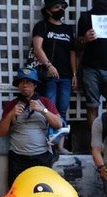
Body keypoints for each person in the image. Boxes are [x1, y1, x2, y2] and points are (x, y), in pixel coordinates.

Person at [0, 66, 62, 187]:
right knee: (17, 191)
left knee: (42, 191)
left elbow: (59, 124)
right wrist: (11, 114)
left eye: (28, 82)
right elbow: (1, 133)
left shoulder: (45, 102)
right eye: (22, 82)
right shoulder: (12, 105)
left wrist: (42, 110)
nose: (24, 86)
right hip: (18, 159)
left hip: (41, 157)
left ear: (35, 85)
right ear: (18, 85)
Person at [32, 0, 76, 141]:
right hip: (48, 75)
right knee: (49, 107)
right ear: (48, 10)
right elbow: (37, 48)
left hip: (66, 75)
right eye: (56, 7)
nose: (60, 9)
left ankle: (60, 144)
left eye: (62, 7)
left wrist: (74, 74)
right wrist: (49, 65)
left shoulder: (68, 29)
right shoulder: (42, 26)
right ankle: (49, 141)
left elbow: (72, 52)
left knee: (62, 108)